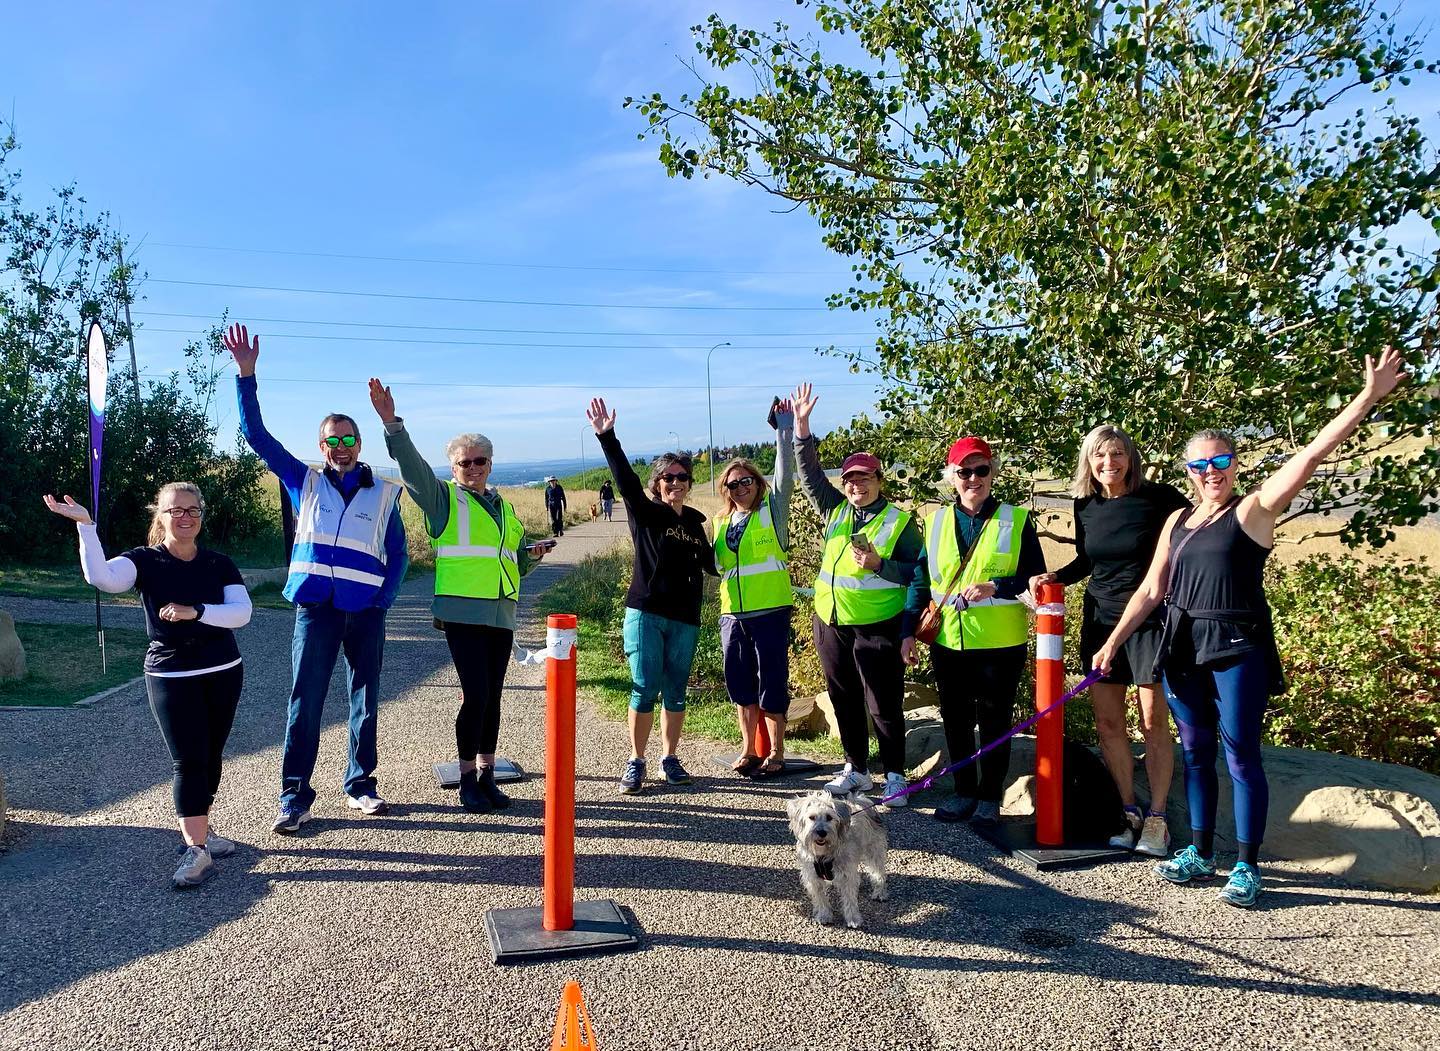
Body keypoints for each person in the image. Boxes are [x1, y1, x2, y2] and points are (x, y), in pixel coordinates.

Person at [1094, 347, 1407, 908]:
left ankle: (1246, 862)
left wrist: (1367, 397)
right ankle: (1199, 851)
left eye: (1221, 462)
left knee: (1240, 755)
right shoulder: (1178, 519)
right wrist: (1115, 642)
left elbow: (1311, 455)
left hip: (1238, 648)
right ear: (1188, 472)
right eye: (1200, 465)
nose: (1211, 473)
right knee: (1195, 753)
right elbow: (1151, 590)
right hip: (1183, 648)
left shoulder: (1254, 510)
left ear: (1234, 465)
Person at [225, 323, 408, 834]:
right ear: (321, 445)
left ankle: (361, 783)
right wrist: (246, 374)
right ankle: (294, 794)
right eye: (333, 440)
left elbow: (399, 553)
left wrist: (384, 600)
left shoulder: (383, 493)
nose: (341, 447)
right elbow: (255, 437)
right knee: (305, 700)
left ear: (359, 442)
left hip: (365, 613)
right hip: (316, 611)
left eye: (349, 439)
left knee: (365, 698)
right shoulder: (300, 480)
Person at [44, 484, 252, 888]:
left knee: (210, 757)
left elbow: (241, 613)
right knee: (188, 759)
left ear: (201, 516)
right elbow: (103, 578)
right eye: (176, 511)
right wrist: (87, 526)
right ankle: (196, 849)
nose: (186, 517)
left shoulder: (218, 563)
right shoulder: (145, 560)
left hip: (224, 668)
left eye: (193, 510)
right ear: (160, 515)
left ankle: (202, 831)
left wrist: (198, 612)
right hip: (171, 673)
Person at [369, 378, 550, 813]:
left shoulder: (504, 507)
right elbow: (412, 470)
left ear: (490, 464)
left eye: (480, 461)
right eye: (464, 462)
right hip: (462, 613)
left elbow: (511, 560)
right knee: (476, 695)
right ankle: (468, 777)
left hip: (502, 613)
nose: (473, 468)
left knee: (495, 695)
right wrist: (392, 424)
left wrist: (533, 556)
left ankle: (488, 775)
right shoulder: (445, 500)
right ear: (454, 468)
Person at [1029, 425, 1190, 855]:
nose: (1109, 463)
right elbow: (1088, 560)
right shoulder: (1085, 505)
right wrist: (1056, 577)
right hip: (1100, 622)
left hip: (1150, 621)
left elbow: (1194, 544)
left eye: (1117, 454)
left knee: (1154, 722)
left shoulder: (1162, 500)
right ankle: (1127, 810)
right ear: (1089, 462)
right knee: (1108, 723)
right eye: (1099, 456)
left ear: (1130, 458)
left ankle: (1157, 819)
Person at [901, 437, 1046, 825]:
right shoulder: (934, 523)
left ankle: (989, 797)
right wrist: (908, 632)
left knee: (996, 720)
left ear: (993, 472)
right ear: (952, 477)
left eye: (982, 470)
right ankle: (964, 792)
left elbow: (1037, 577)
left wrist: (996, 586)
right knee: (956, 718)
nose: (973, 478)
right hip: (949, 640)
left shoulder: (1016, 519)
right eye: (965, 471)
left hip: (1000, 642)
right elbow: (920, 582)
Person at [792, 382, 922, 803]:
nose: (856, 486)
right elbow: (810, 475)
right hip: (831, 620)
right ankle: (856, 769)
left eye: (864, 479)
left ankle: (896, 776)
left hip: (877, 624)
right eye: (850, 480)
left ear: (879, 481)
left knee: (883, 702)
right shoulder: (835, 510)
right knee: (842, 696)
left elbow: (919, 575)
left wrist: (881, 565)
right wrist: (802, 429)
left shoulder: (899, 523)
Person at [586, 396, 716, 794]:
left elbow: (713, 565)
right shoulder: (646, 514)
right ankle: (636, 760)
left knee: (676, 690)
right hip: (646, 612)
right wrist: (608, 437)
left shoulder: (696, 523)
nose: (675, 483)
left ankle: (670, 758)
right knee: (644, 686)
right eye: (667, 478)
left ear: (689, 483)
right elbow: (625, 480)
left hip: (685, 618)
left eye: (682, 477)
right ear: (657, 484)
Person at [713, 398, 796, 778]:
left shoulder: (772, 512)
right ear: (725, 489)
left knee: (773, 685)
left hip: (770, 613)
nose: (740, 487)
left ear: (756, 483)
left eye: (746, 481)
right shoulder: (720, 523)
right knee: (741, 687)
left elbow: (786, 475)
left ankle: (777, 752)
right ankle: (748, 750)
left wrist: (783, 430)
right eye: (732, 483)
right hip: (732, 616)